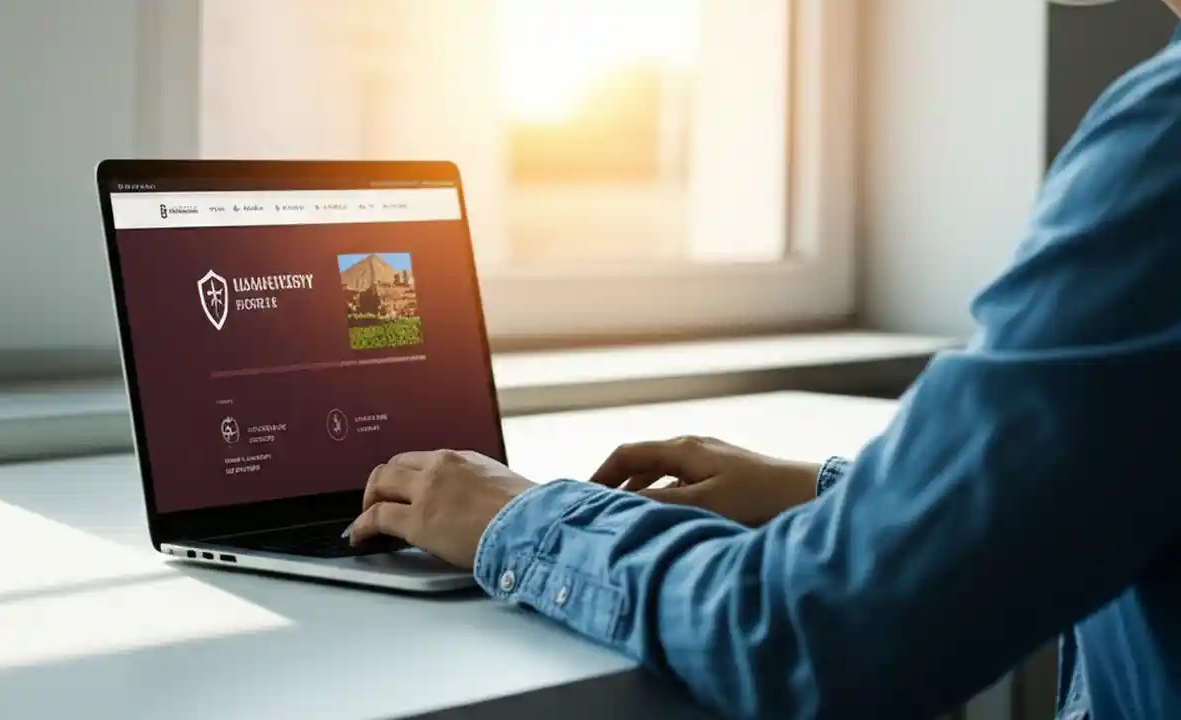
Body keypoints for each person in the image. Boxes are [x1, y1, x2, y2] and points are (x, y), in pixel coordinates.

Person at [349, 2, 1181, 717]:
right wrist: (831, 495)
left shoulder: (1162, 143)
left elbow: (826, 636)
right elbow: (1114, 475)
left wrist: (525, 521)